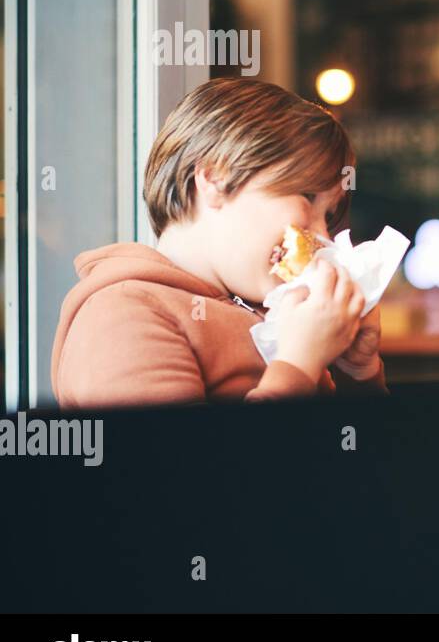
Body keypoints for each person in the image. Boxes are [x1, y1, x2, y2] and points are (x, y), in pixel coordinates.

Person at [52, 78, 386, 407]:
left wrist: (357, 372)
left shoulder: (278, 315)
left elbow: (366, 459)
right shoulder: (123, 315)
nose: (323, 237)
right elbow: (177, 460)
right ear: (215, 179)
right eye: (306, 196)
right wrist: (297, 365)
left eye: (328, 216)